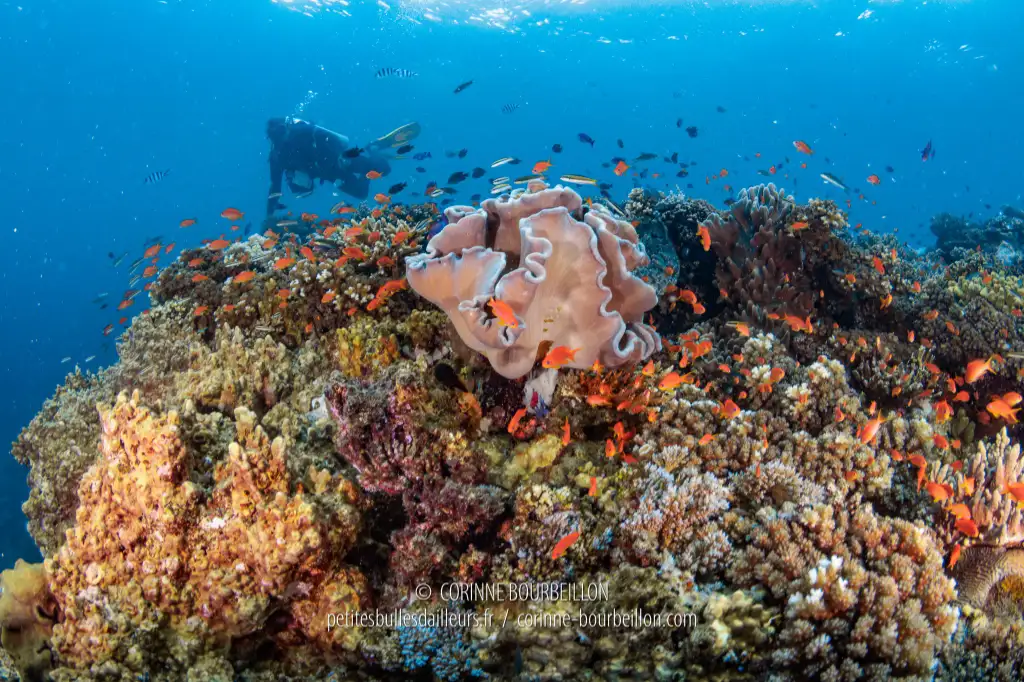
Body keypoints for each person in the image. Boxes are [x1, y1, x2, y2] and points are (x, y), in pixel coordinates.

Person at [265, 117, 393, 216]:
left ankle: (372, 148)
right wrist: (270, 215)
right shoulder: (277, 158)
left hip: (341, 159)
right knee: (361, 193)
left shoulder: (299, 131)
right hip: (331, 175)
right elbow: (274, 187)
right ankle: (369, 166)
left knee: (385, 169)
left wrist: (339, 156)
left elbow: (324, 136)